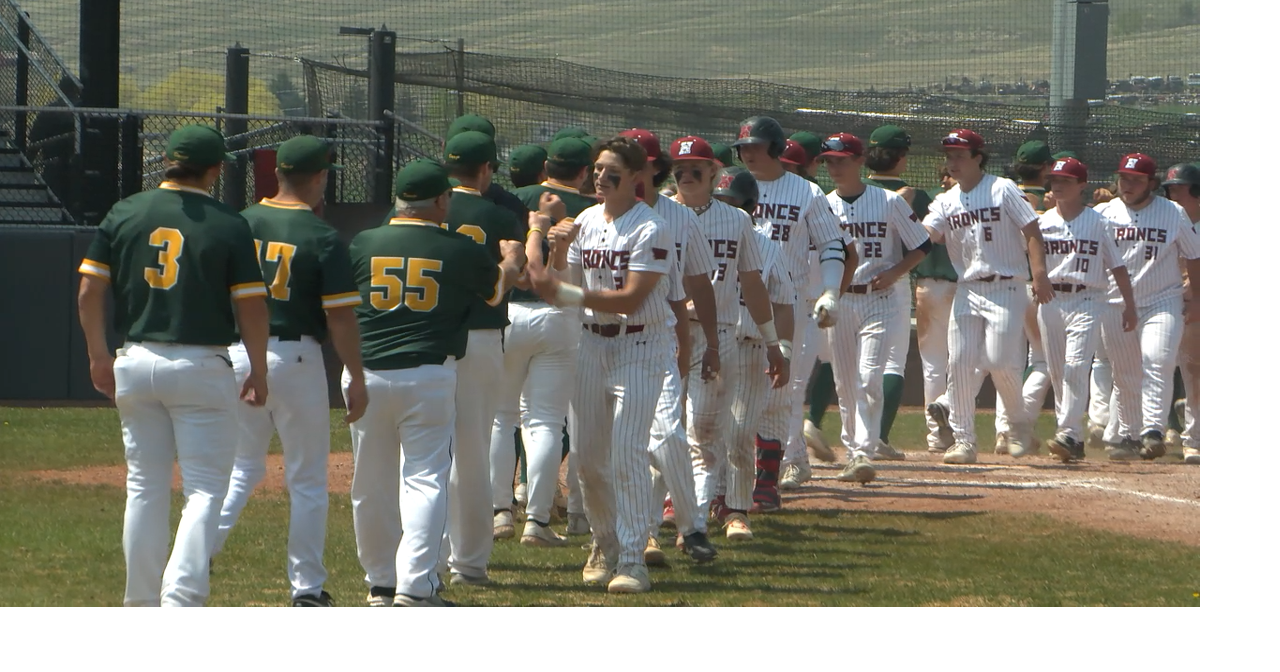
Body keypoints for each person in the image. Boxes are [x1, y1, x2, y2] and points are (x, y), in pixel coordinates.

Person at [76, 124, 271, 606]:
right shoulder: (228, 222)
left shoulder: (126, 211)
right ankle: (180, 598)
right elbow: (250, 306)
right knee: (204, 492)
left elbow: (88, 291)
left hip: (136, 359)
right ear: (214, 169)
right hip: (200, 364)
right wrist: (260, 368)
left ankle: (139, 600)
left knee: (144, 488)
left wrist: (99, 354)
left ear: (168, 161)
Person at [347, 159, 525, 607]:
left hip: (366, 372)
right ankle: (415, 585)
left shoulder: (364, 242)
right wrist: (510, 260)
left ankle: (380, 584)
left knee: (370, 484)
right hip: (427, 374)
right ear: (441, 201)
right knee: (425, 480)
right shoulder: (456, 248)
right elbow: (495, 291)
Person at [211, 136, 367, 607]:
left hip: (241, 355)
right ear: (319, 177)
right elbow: (340, 317)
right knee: (306, 480)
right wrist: (356, 376)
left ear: (277, 173)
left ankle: (197, 553)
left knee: (240, 468)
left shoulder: (242, 222)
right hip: (296, 359)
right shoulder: (321, 236)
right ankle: (307, 589)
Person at [527, 135, 678, 595]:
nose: (599, 177)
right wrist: (555, 246)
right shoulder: (587, 220)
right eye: (596, 169)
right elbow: (558, 283)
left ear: (637, 179)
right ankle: (604, 543)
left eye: (610, 171)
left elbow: (632, 300)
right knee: (589, 462)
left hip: (640, 343)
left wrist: (564, 290)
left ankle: (634, 560)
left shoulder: (650, 227)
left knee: (628, 451)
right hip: (592, 342)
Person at [669, 137, 787, 542]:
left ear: (713, 173)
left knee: (718, 433)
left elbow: (755, 285)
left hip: (720, 334)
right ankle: (677, 508)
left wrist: (774, 343)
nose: (686, 176)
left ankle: (731, 511)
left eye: (695, 169)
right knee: (669, 428)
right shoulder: (658, 215)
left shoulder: (736, 222)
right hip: (666, 331)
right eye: (679, 170)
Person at [731, 116, 854, 498]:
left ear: (776, 148)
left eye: (755, 145)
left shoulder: (805, 192)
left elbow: (833, 245)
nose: (748, 153)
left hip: (791, 304)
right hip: (732, 306)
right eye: (743, 147)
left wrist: (831, 291)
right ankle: (734, 478)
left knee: (780, 392)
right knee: (730, 395)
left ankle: (772, 475)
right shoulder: (729, 186)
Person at [920, 129, 1054, 465]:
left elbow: (1032, 231)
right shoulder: (946, 200)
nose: (953, 162)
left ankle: (1018, 422)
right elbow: (925, 236)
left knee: (998, 361)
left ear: (979, 158)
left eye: (960, 156)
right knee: (960, 363)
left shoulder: (1002, 188)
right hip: (968, 288)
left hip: (1007, 285)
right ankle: (964, 440)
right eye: (949, 156)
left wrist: (1039, 274)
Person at [618, 128, 718, 567]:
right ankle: (637, 537)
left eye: (633, 164)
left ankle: (691, 526)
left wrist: (710, 343)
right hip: (604, 345)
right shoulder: (596, 217)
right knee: (622, 448)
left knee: (669, 437)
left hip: (658, 340)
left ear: (652, 168)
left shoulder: (681, 220)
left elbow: (698, 285)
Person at [493, 136, 599, 545]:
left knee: (502, 418)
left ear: (545, 167)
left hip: (508, 313)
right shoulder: (594, 208)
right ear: (586, 171)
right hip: (561, 316)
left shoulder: (510, 198)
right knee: (548, 421)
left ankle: (502, 512)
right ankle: (538, 521)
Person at [819, 132, 930, 482]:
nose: (834, 166)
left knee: (869, 376)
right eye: (829, 161)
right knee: (845, 381)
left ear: (859, 160)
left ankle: (864, 450)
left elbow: (922, 245)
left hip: (881, 297)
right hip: (842, 298)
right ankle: (854, 450)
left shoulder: (888, 201)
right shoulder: (823, 204)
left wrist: (896, 272)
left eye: (841, 159)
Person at [439, 131, 522, 586]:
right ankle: (468, 564)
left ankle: (426, 557)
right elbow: (517, 274)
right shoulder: (498, 214)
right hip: (482, 339)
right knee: (471, 452)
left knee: (428, 453)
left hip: (429, 341)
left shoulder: (419, 209)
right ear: (487, 169)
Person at [1094, 153, 1200, 461]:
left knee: (1158, 360)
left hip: (1162, 300)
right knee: (1125, 374)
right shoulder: (1104, 213)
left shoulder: (1173, 212)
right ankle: (1128, 433)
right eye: (1124, 178)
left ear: (1151, 183)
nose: (1128, 184)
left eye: (1137, 179)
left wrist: (1195, 297)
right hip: (1115, 303)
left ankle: (1153, 430)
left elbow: (1194, 256)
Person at [1036, 157, 1137, 463]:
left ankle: (1067, 431)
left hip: (1088, 297)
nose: (1058, 184)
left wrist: (1129, 306)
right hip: (1052, 299)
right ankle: (1074, 439)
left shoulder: (1099, 221)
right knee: (1056, 370)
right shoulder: (1042, 223)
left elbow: (1118, 268)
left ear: (1082, 185)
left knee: (1075, 366)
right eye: (1055, 179)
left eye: (1066, 180)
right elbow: (1031, 260)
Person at [863, 124, 940, 456]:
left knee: (851, 366)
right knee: (891, 363)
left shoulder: (855, 190)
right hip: (893, 282)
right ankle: (877, 438)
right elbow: (927, 241)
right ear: (901, 157)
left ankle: (851, 436)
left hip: (849, 283)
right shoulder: (916, 195)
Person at [992, 139, 1057, 455]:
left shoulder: (999, 195)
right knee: (1043, 361)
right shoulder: (1049, 204)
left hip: (1003, 288)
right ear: (1046, 168)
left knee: (1006, 364)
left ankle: (1004, 431)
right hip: (1038, 288)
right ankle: (1014, 428)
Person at [1161, 163, 1200, 464]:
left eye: (1180, 188)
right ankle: (1138, 432)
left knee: (1193, 372)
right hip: (1168, 304)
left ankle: (1192, 436)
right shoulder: (1165, 222)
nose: (1173, 194)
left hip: (1192, 304)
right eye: (1170, 189)